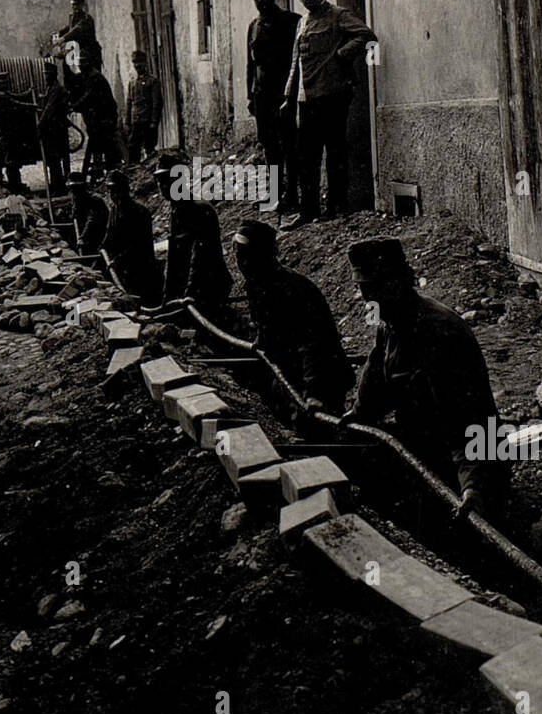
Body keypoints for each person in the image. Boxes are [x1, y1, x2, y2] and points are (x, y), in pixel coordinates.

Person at [342, 238, 509, 523]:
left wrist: (472, 488)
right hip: (429, 446)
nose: (367, 299)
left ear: (396, 283)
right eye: (363, 289)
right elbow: (375, 381)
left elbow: (468, 420)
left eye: (372, 289)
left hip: (469, 461)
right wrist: (356, 417)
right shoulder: (392, 325)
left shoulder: (439, 333)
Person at [281, 0, 378, 226]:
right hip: (307, 97)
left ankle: (337, 207)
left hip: (333, 95)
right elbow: (295, 62)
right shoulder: (302, 23)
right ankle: (308, 210)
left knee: (335, 152)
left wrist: (342, 55)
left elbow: (367, 36)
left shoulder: (338, 15)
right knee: (307, 157)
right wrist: (288, 96)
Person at [233, 219, 354, 414]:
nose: (241, 263)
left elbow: (314, 343)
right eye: (239, 256)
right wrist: (261, 341)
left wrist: (313, 391)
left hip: (319, 377)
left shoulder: (290, 291)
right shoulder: (258, 283)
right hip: (291, 369)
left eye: (247, 256)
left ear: (263, 256)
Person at [246, 0, 300, 214]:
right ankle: (275, 192)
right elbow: (250, 64)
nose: (260, 0)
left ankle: (292, 194)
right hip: (262, 96)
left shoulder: (290, 21)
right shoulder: (253, 27)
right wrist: (250, 95)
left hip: (283, 94)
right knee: (269, 145)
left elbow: (296, 61)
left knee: (289, 143)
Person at [153, 150, 232, 316]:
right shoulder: (177, 210)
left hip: (208, 287)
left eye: (167, 180)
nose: (162, 186)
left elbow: (201, 258)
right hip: (189, 290)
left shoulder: (199, 209)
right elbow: (174, 257)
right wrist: (167, 299)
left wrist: (189, 295)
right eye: (160, 181)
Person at [103, 169, 162, 304]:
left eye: (116, 190)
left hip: (141, 271)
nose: (114, 195)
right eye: (111, 191)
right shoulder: (114, 211)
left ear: (125, 190)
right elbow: (109, 237)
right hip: (121, 270)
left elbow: (139, 246)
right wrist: (101, 254)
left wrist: (117, 260)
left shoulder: (140, 212)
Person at [74, 55, 123, 180]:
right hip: (100, 119)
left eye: (83, 63)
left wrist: (75, 106)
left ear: (88, 64)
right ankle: (101, 170)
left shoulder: (94, 77)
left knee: (104, 146)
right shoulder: (88, 77)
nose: (80, 66)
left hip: (105, 118)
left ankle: (104, 171)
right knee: (99, 145)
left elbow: (89, 96)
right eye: (79, 63)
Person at [0, 71, 30, 195]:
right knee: (11, 160)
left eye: (6, 82)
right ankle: (15, 186)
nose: (6, 84)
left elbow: (14, 96)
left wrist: (27, 93)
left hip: (8, 132)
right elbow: (16, 104)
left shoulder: (1, 94)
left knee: (13, 159)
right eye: (3, 82)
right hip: (6, 132)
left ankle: (16, 184)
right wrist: (31, 106)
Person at [37, 60, 70, 197]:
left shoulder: (56, 89)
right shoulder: (51, 88)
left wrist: (40, 125)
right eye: (44, 74)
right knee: (54, 158)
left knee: (55, 158)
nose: (45, 77)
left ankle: (59, 186)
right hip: (54, 128)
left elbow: (49, 109)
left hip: (56, 129)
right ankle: (56, 184)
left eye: (47, 75)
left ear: (53, 75)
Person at [125, 51, 163, 163]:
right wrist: (128, 121)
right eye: (135, 63)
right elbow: (129, 102)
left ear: (145, 63)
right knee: (133, 149)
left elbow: (157, 103)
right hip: (136, 121)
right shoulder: (132, 83)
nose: (137, 66)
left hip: (147, 121)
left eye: (140, 62)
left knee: (150, 148)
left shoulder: (152, 81)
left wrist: (154, 121)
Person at [67, 171, 109, 257]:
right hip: (84, 233)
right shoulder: (76, 198)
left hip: (99, 236)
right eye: (72, 188)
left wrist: (83, 237)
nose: (73, 192)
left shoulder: (95, 200)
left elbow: (92, 220)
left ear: (83, 187)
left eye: (76, 188)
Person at [58, 0, 102, 76]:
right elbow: (70, 27)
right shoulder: (72, 17)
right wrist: (60, 33)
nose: (74, 7)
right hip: (76, 51)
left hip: (89, 52)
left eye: (77, 5)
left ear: (81, 5)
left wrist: (63, 38)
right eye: (73, 4)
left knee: (90, 76)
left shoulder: (86, 18)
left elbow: (77, 29)